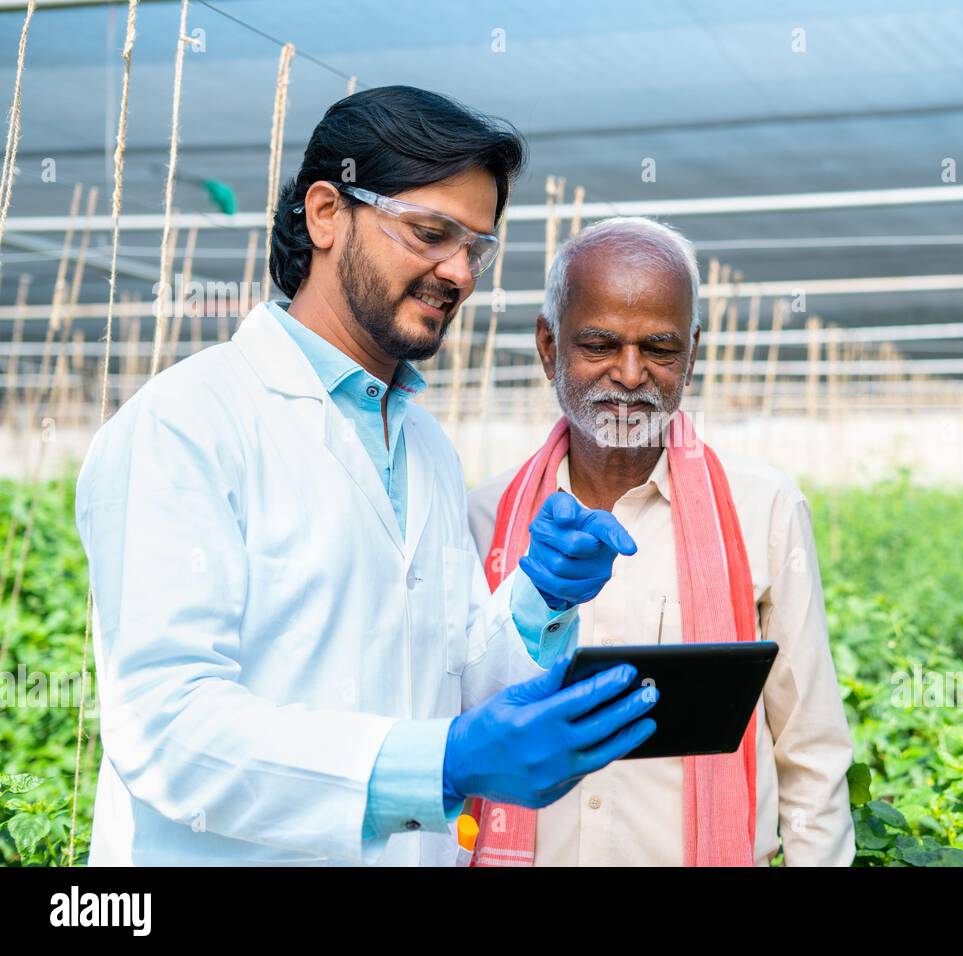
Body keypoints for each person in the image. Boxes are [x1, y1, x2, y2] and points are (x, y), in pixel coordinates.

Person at [74, 87, 656, 867]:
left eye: (477, 247)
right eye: (430, 233)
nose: (460, 273)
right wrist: (438, 767)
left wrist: (539, 598)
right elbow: (167, 728)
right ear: (325, 213)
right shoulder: (185, 426)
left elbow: (443, 687)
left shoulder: (424, 446)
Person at [466, 217, 854, 866]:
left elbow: (809, 749)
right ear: (546, 346)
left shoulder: (765, 509)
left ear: (693, 353)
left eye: (660, 349)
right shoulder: (485, 516)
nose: (629, 373)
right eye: (599, 344)